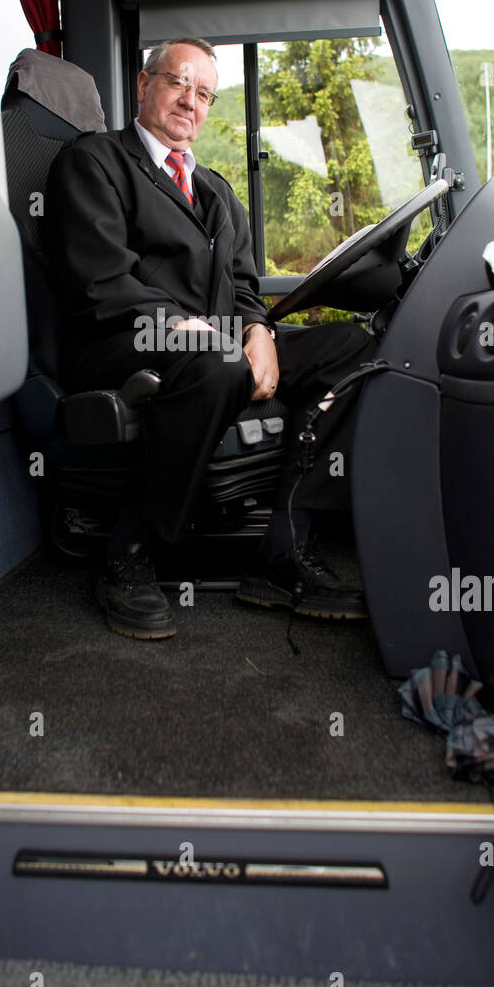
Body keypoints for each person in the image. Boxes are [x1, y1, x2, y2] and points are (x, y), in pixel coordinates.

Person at [45, 38, 377, 639]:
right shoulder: (93, 162)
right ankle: (128, 554)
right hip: (125, 335)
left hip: (215, 339)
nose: (189, 102)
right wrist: (183, 324)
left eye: (203, 94)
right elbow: (96, 280)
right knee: (216, 361)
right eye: (178, 83)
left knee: (352, 347)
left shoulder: (217, 189)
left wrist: (259, 332)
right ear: (143, 85)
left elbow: (246, 284)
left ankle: (285, 544)